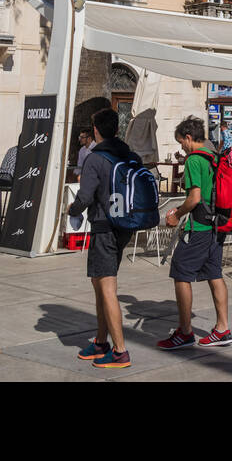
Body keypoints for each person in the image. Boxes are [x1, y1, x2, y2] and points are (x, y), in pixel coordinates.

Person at [68, 107, 138, 368]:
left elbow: (84, 197)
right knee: (99, 283)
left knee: (107, 288)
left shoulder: (95, 158)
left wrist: (71, 210)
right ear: (116, 130)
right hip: (125, 225)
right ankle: (100, 341)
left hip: (104, 226)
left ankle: (120, 351)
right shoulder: (130, 155)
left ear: (96, 131)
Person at [158, 117, 232, 350]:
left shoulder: (194, 160)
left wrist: (176, 215)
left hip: (199, 227)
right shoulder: (215, 157)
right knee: (215, 274)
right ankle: (222, 329)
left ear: (189, 138)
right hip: (217, 226)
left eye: (181, 142)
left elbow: (194, 198)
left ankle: (185, 332)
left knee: (181, 273)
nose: (182, 147)